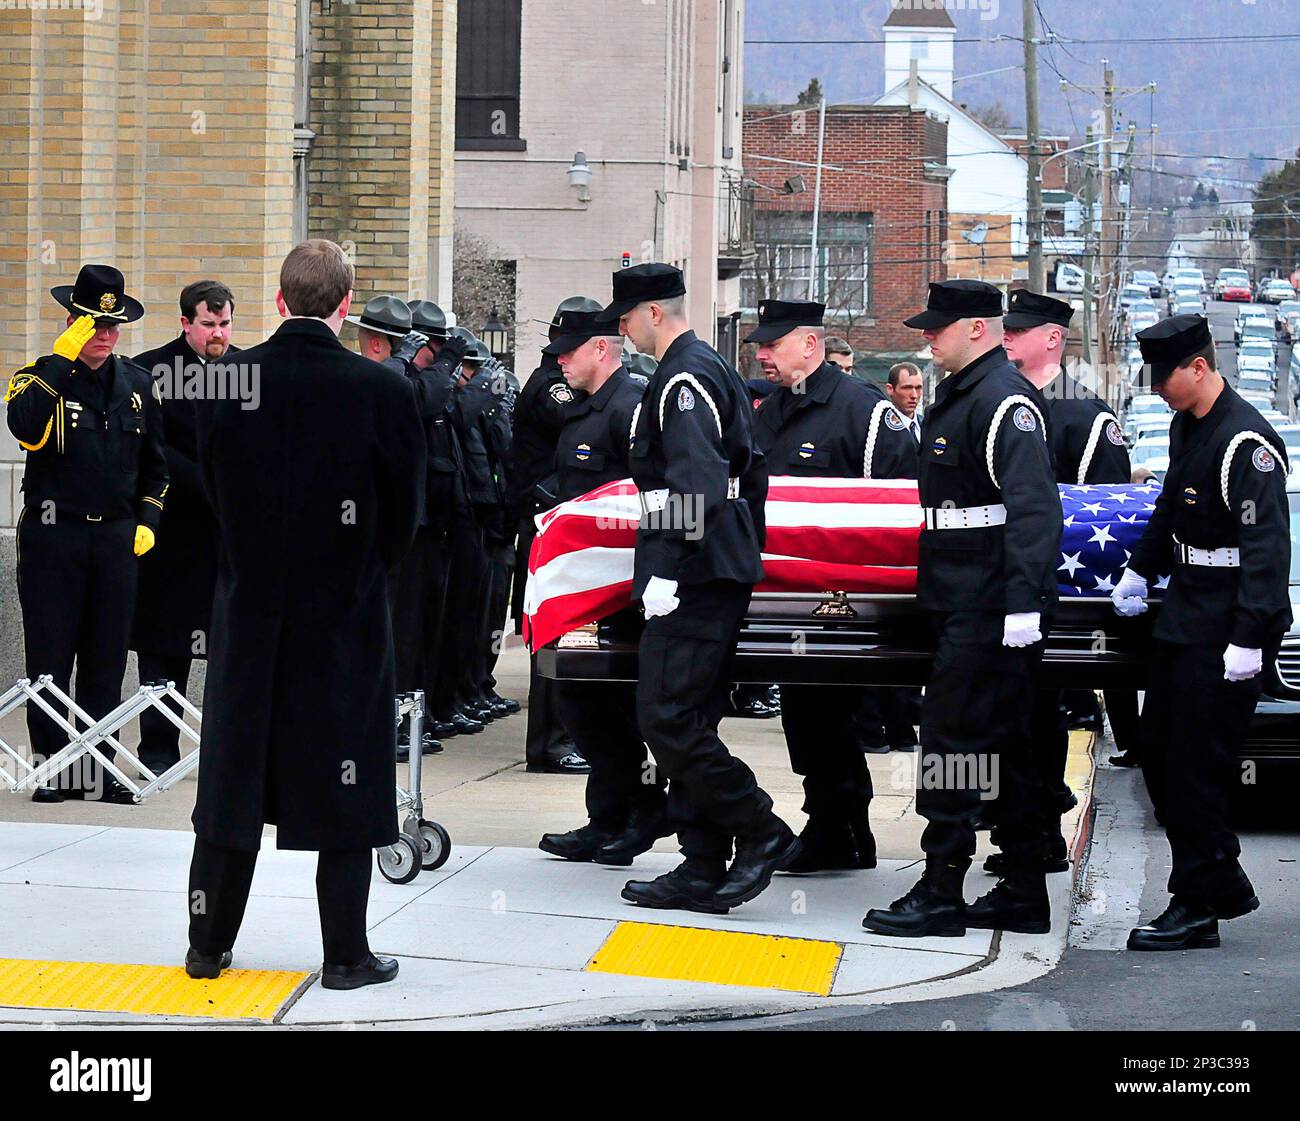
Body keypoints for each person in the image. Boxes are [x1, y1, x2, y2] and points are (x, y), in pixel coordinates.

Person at [185, 239, 424, 989]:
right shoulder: (383, 390)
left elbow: (211, 495)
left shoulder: (226, 385)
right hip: (342, 618)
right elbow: (404, 515)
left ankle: (206, 943)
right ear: (346, 305)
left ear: (280, 301)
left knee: (231, 782)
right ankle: (346, 954)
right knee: (346, 783)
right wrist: (362, 572)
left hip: (249, 614)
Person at [862, 280, 1062, 939]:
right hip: (963, 599)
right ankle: (1023, 891)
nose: (927, 336)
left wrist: (1022, 605)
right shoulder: (968, 396)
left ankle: (943, 887)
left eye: (938, 327)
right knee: (1003, 747)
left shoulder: (1004, 402)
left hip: (987, 605)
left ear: (977, 329)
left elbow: (1033, 508)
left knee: (952, 743)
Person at [603, 262, 797, 914]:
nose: (623, 330)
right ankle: (701, 861)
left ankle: (760, 826)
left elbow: (699, 486)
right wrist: (747, 543)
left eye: (625, 317)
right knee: (690, 717)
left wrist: (667, 568)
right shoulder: (701, 366)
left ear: (653, 311)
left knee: (666, 716)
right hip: (715, 564)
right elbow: (754, 474)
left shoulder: (683, 377)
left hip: (694, 571)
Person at [1112, 314, 1291, 951]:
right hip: (1188, 612)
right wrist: (1140, 570)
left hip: (1227, 624)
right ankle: (1221, 878)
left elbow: (1267, 550)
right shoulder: (1190, 425)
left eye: (1166, 377)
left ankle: (1195, 905)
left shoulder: (1246, 443)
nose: (1158, 388)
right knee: (1157, 753)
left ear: (1199, 367)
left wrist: (1249, 638)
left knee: (1195, 767)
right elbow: (1170, 510)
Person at [748, 298, 916, 873]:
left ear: (811, 346)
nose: (762, 355)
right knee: (804, 714)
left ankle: (839, 826)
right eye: (760, 346)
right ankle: (837, 827)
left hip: (847, 604)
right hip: (787, 598)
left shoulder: (865, 413)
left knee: (833, 716)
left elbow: (900, 506)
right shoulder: (769, 412)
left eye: (774, 345)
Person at [6, 264, 168, 805]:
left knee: (106, 657)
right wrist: (60, 360)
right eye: (90, 325)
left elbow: (156, 468)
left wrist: (147, 520)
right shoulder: (36, 378)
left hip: (116, 538)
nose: (102, 336)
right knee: (52, 655)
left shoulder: (139, 386)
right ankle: (54, 767)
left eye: (111, 326)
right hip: (56, 536)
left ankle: (99, 768)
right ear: (72, 322)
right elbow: (26, 427)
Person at [999, 288, 1133, 876]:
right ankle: (1010, 823)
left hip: (1052, 595)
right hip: (994, 586)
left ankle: (1041, 830)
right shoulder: (996, 399)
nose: (1005, 338)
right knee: (998, 716)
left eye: (1018, 331)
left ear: (1051, 338)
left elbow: (1104, 515)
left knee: (1036, 713)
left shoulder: (1083, 414)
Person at [535, 307, 670, 864]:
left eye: (569, 350)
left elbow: (643, 496)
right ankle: (609, 813)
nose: (559, 360)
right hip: (583, 584)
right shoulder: (586, 408)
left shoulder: (629, 407)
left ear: (601, 348)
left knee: (608, 702)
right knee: (579, 699)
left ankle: (640, 808)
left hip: (617, 590)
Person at [131, 280, 239, 777]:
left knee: (229, 648)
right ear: (185, 323)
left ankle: (225, 752)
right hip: (173, 534)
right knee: (164, 650)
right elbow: (153, 452)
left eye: (224, 324)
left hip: (228, 539)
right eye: (208, 325)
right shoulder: (153, 371)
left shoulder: (247, 371)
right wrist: (211, 483)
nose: (218, 334)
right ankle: (157, 750)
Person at [507, 297, 597, 772]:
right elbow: (578, 421)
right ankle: (551, 743)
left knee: (569, 636)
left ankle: (563, 737)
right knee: (554, 636)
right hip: (545, 520)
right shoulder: (551, 387)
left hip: (560, 520)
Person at [884, 361, 924, 443]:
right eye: (907, 388)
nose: (914, 395)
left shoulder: (928, 425)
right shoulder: (879, 428)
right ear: (890, 389)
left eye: (918, 388)